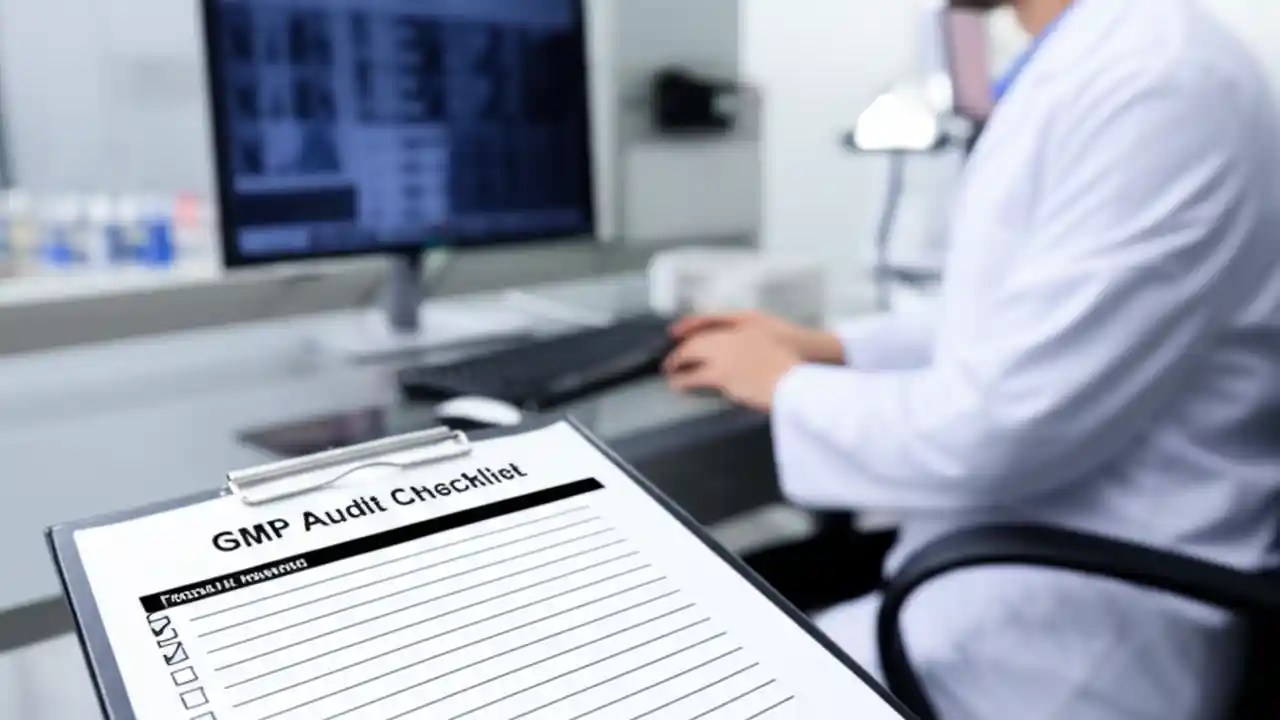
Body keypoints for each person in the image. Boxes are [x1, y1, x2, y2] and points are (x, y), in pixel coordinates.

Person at [663, 0, 1280, 718]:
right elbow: (1017, 315)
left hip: (1069, 638)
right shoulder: (1100, 57)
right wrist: (835, 348)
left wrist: (784, 384)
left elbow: (997, 430)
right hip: (1013, 580)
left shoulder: (1154, 78)